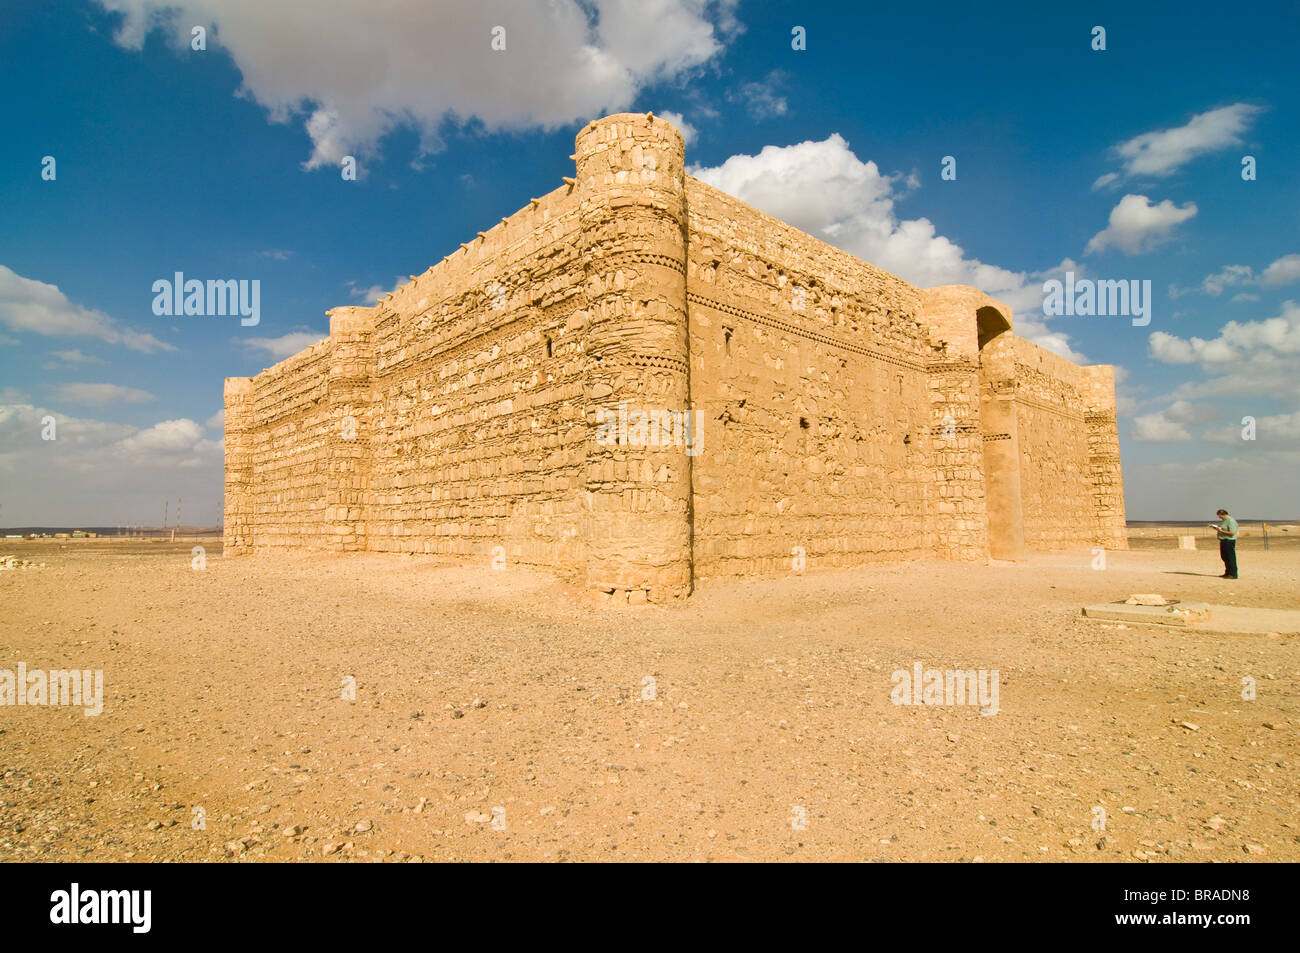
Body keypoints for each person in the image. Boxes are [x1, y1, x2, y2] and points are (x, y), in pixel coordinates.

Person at [1209, 508, 1239, 579]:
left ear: (1223, 514)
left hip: (1229, 541)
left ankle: (1233, 574)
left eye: (1219, 516)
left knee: (1230, 557)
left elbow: (1232, 532)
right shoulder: (1224, 521)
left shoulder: (1230, 521)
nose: (1219, 517)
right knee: (1225, 557)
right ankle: (1227, 572)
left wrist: (1221, 531)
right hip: (1223, 541)